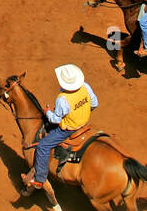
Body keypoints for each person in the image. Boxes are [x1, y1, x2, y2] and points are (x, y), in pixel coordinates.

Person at [21, 64, 98, 193]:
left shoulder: (62, 99)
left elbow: (55, 119)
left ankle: (39, 179)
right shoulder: (86, 86)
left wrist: (47, 112)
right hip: (85, 123)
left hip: (68, 129)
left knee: (43, 146)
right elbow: (94, 104)